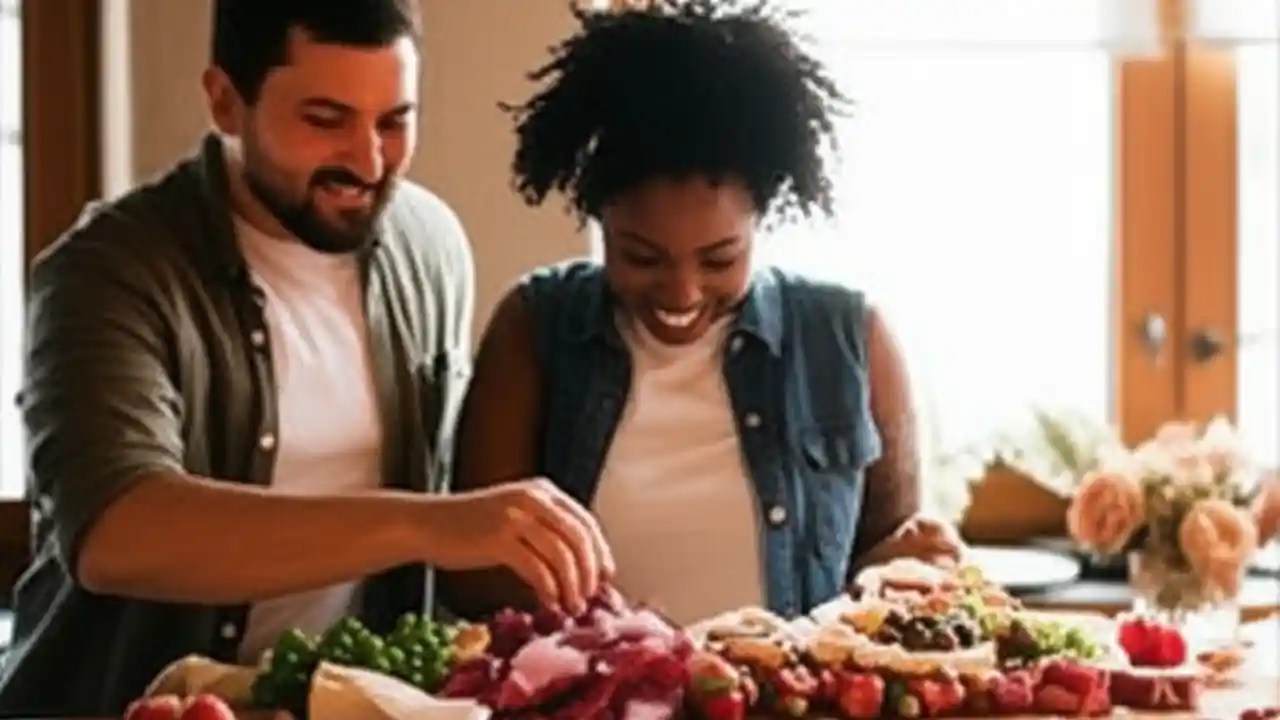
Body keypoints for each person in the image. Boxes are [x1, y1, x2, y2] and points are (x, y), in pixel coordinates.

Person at [0, 1, 611, 714]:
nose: (368, 161)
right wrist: (432, 523)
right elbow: (115, 532)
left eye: (394, 120)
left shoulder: (431, 246)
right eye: (325, 120)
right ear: (226, 102)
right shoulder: (106, 271)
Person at [439, 0, 964, 627]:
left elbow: (886, 562)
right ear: (598, 217)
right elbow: (469, 581)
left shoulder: (852, 338)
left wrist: (915, 565)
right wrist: (617, 646)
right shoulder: (535, 327)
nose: (682, 294)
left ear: (762, 219)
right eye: (642, 257)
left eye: (719, 259)